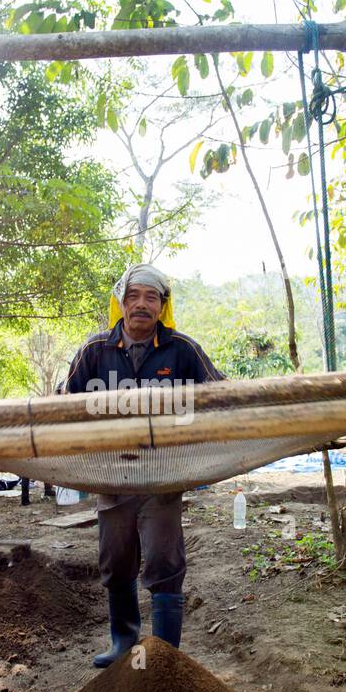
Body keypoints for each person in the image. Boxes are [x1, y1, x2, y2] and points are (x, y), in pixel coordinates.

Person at [62, 263, 223, 667]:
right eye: (133, 296)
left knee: (164, 559)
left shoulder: (181, 350)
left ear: (162, 306)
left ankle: (166, 656)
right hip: (111, 476)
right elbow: (61, 409)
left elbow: (221, 397)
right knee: (116, 560)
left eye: (151, 297)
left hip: (163, 477)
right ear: (120, 302)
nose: (141, 305)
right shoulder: (94, 352)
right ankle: (124, 643)